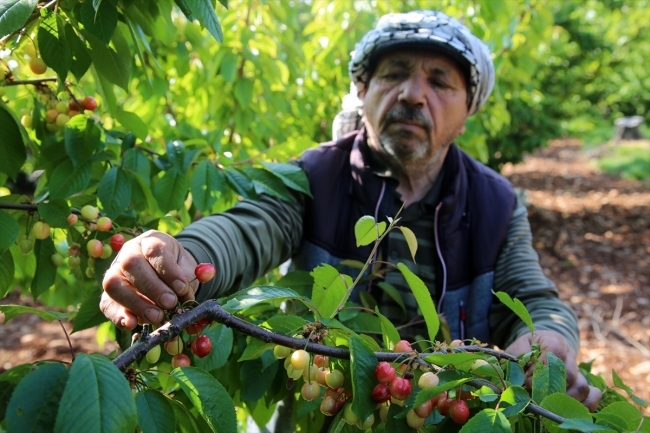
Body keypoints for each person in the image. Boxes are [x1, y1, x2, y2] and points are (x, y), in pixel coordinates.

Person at [100, 10, 601, 410]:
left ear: (468, 111)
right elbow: (251, 227)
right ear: (363, 92)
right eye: (395, 75)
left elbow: (534, 295)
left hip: (447, 413)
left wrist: (548, 339)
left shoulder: (496, 201)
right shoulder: (315, 175)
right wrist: (182, 256)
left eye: (440, 82)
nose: (412, 94)